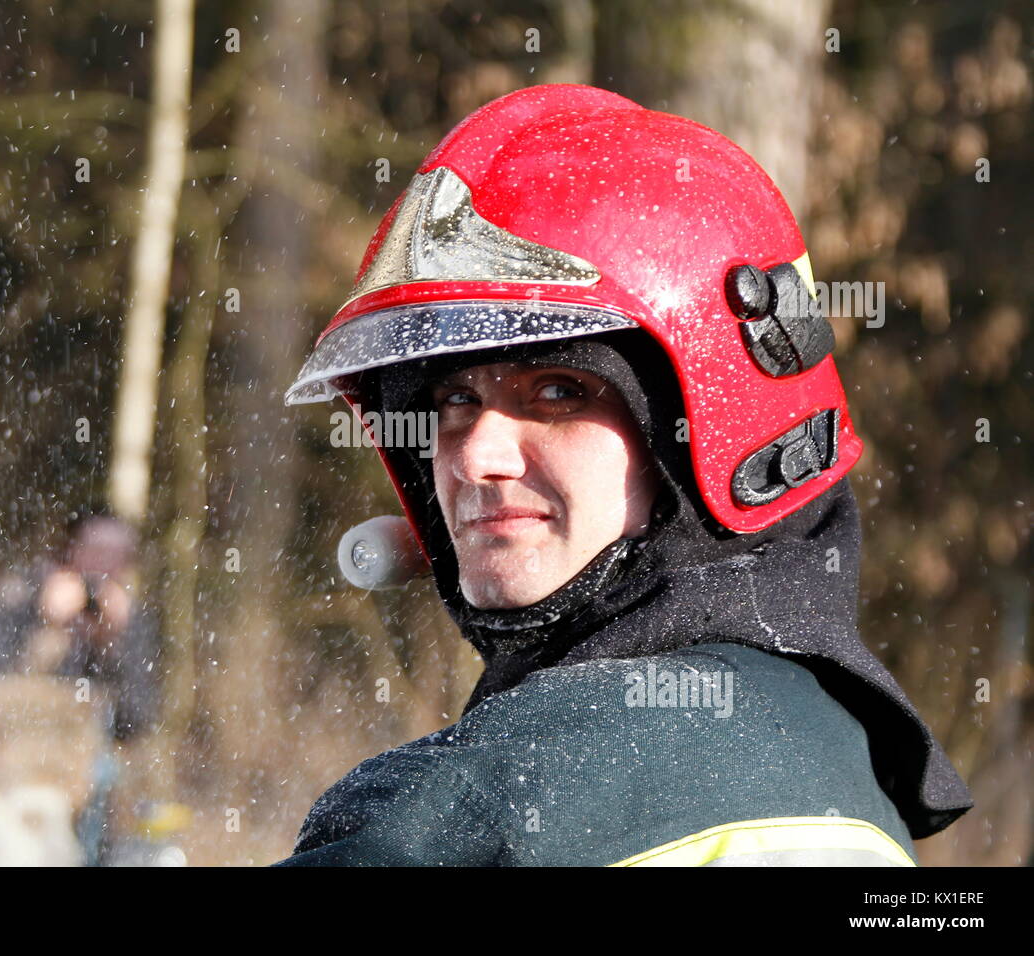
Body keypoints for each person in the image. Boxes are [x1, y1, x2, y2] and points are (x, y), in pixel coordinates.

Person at [273, 85, 973, 866]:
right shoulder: (844, 776)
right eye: (455, 400)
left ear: (712, 427)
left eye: (558, 392)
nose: (474, 456)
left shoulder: (478, 812)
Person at [0, 512, 163, 863]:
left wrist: (112, 645)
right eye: (96, 551)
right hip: (14, 774)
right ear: (68, 552)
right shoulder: (20, 596)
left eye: (119, 555)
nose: (106, 565)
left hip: (90, 787)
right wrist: (44, 625)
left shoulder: (130, 619)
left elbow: (137, 719)